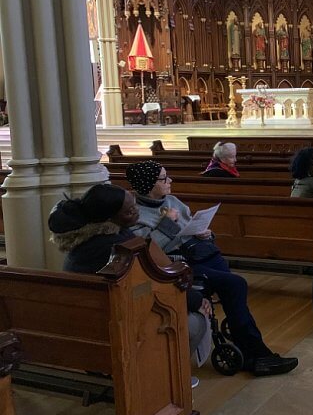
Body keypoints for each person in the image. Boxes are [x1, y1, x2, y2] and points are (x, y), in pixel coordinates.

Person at [125, 160, 299, 376]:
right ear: (149, 184)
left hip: (200, 253)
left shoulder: (171, 200)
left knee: (232, 289)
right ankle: (256, 355)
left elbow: (188, 227)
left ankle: (248, 343)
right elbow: (148, 251)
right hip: (176, 265)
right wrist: (168, 223)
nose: (170, 180)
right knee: (236, 285)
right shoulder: (134, 212)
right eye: (164, 178)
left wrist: (204, 232)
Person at [47, 183, 212, 361]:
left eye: (134, 205)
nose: (136, 211)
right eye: (129, 211)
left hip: (95, 311)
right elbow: (152, 282)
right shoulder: (116, 246)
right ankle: (165, 378)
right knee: (195, 323)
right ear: (110, 218)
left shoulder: (92, 234)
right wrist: (195, 300)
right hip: (111, 321)